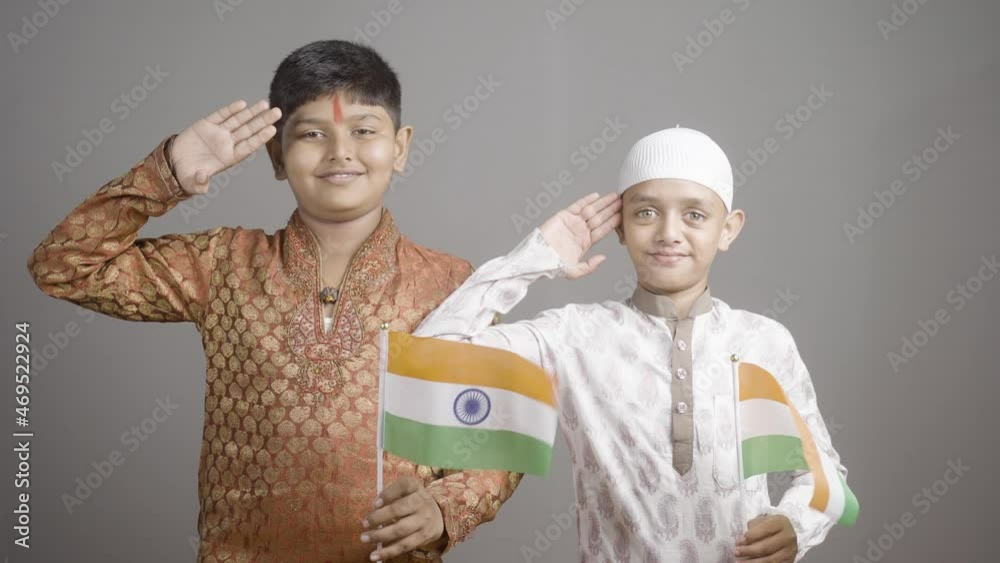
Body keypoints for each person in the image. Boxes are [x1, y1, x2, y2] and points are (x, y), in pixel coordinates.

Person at [27, 39, 520, 562]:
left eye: (364, 130)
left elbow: (497, 434)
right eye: (312, 134)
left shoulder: (453, 283)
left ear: (399, 147)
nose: (340, 152)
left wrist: (445, 509)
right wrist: (165, 173)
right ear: (276, 155)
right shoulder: (222, 264)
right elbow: (63, 267)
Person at [413, 127, 849, 562]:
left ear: (728, 229)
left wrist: (796, 524)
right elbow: (428, 358)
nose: (668, 233)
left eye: (695, 215)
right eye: (646, 213)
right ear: (621, 227)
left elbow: (824, 475)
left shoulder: (761, 341)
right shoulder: (576, 338)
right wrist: (536, 257)